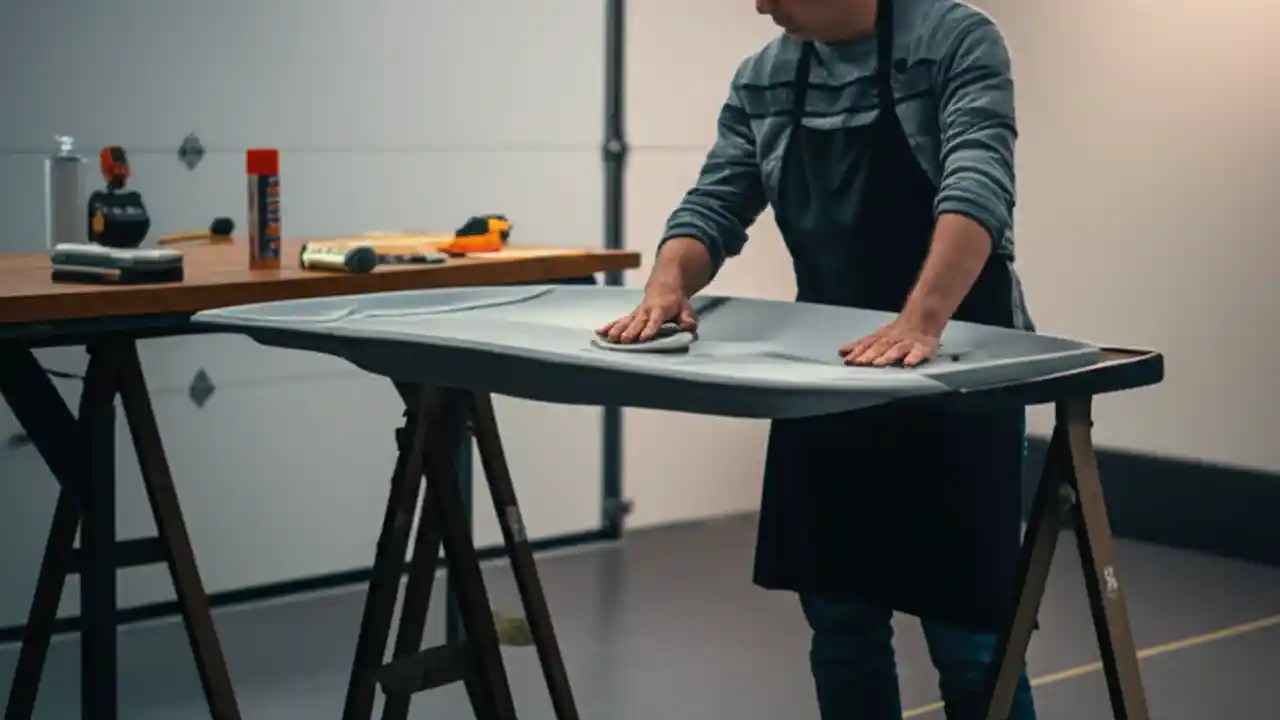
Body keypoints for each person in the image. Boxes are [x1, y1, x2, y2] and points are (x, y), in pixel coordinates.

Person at [597, 0, 1038, 717]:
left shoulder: (953, 40)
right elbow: (715, 202)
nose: (763, 4)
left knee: (975, 641)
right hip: (830, 379)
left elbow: (978, 187)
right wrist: (667, 281)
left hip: (960, 374)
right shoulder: (765, 76)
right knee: (841, 625)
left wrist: (922, 320)